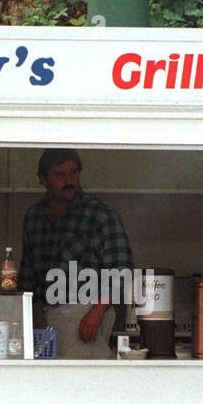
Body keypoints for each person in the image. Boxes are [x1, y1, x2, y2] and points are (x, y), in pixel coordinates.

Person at [19, 149, 135, 358]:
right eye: (60, 174)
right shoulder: (34, 217)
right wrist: (18, 314)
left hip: (84, 313)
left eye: (73, 172)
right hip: (42, 313)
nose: (69, 180)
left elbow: (121, 270)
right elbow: (27, 273)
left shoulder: (99, 214)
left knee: (81, 379)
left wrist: (96, 313)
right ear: (43, 179)